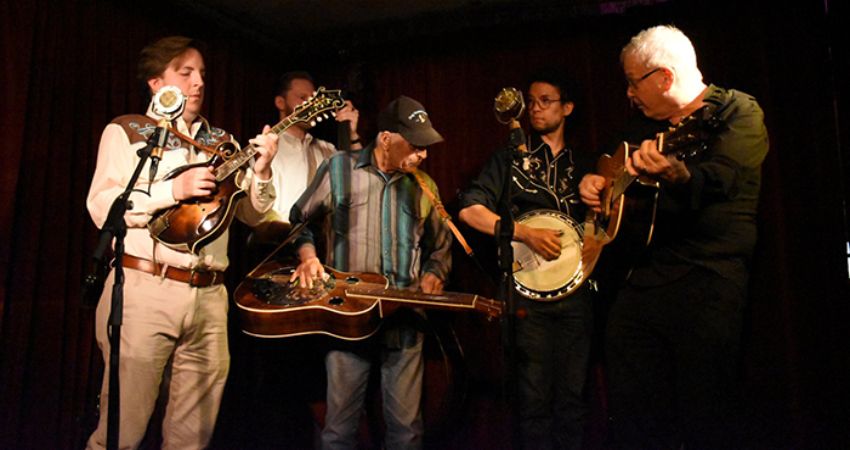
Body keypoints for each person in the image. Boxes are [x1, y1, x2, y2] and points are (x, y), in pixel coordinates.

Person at [578, 25, 769, 449]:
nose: (628, 92)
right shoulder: (640, 125)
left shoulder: (738, 112)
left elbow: (724, 178)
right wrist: (595, 182)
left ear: (663, 77)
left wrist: (681, 174)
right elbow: (609, 164)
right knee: (633, 413)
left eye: (633, 81)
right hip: (644, 279)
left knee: (705, 412)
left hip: (707, 282)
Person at [85, 36, 278, 449]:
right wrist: (173, 191)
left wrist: (262, 171)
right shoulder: (129, 130)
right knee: (122, 432)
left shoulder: (222, 141)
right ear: (157, 82)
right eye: (185, 72)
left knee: (193, 437)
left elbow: (254, 216)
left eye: (202, 74)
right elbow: (103, 207)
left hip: (209, 297)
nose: (198, 83)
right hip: (144, 289)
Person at [288, 95, 452, 449]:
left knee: (407, 433)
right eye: (416, 145)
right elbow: (298, 222)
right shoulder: (337, 169)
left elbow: (440, 247)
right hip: (348, 321)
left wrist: (435, 272)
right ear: (386, 138)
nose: (423, 154)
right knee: (338, 432)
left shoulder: (424, 185)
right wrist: (307, 256)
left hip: (406, 320)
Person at [458, 69, 594, 450]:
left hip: (577, 295)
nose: (535, 108)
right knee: (532, 400)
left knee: (573, 397)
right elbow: (469, 210)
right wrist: (523, 232)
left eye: (545, 101)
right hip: (526, 300)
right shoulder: (508, 159)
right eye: (531, 101)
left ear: (567, 107)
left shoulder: (584, 165)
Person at [263, 71, 362, 227]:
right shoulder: (264, 149)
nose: (311, 105)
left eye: (313, 99)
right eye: (303, 98)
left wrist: (352, 135)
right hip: (279, 243)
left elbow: (359, 181)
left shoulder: (327, 149)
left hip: (321, 244)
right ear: (280, 103)